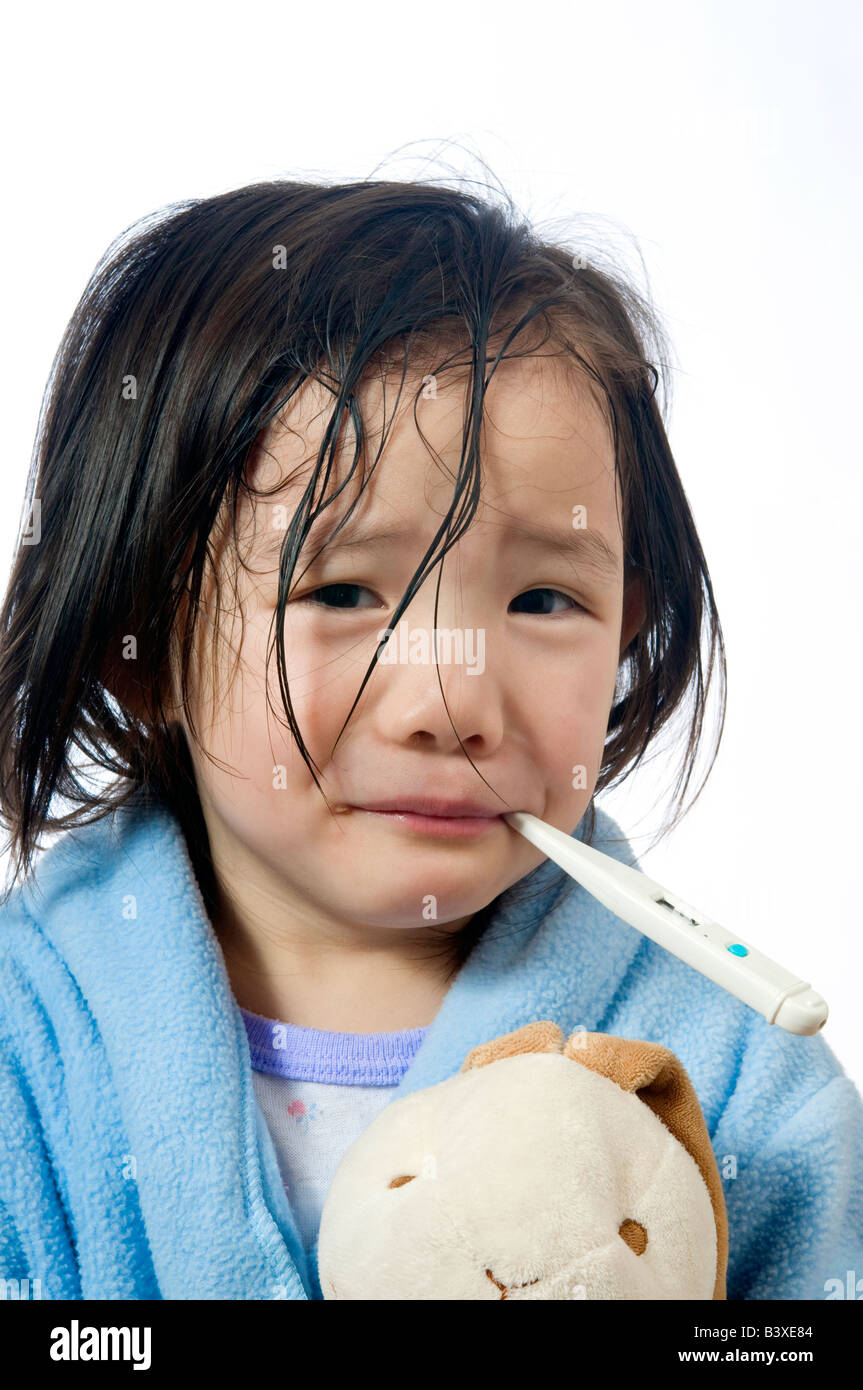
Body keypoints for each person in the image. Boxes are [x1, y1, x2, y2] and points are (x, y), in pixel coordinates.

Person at [0, 176, 859, 1301]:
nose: (449, 702)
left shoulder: (741, 1084)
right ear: (141, 643)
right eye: (346, 591)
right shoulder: (27, 1054)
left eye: (544, 601)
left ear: (624, 630)